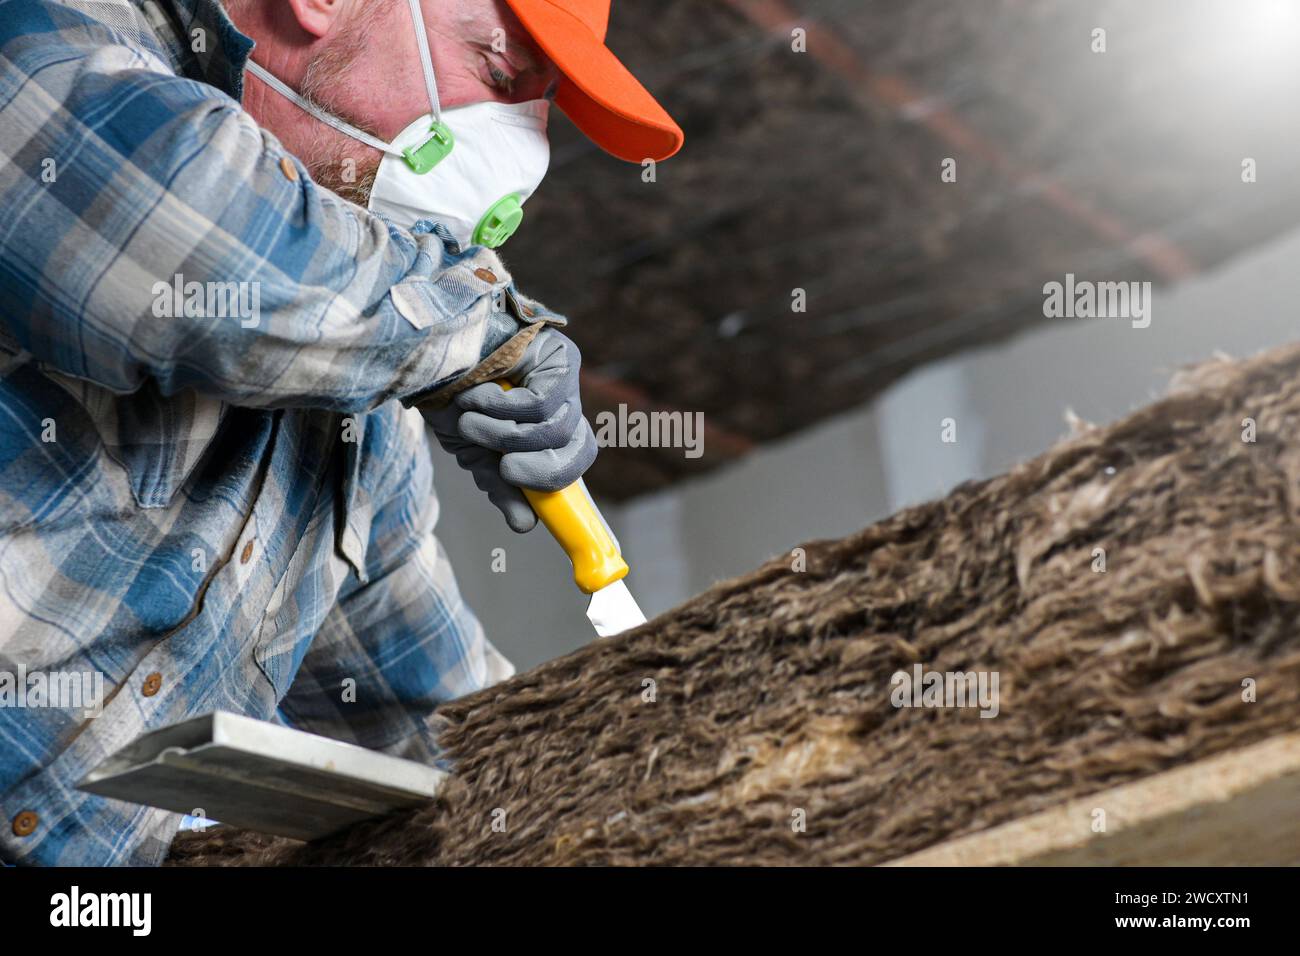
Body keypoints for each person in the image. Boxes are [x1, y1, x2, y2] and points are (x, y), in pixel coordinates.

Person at [0, 0, 682, 866]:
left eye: (537, 115)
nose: (516, 154)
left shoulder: (356, 433)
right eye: (499, 77)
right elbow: (193, 250)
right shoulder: (54, 44)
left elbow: (433, 730)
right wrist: (483, 334)